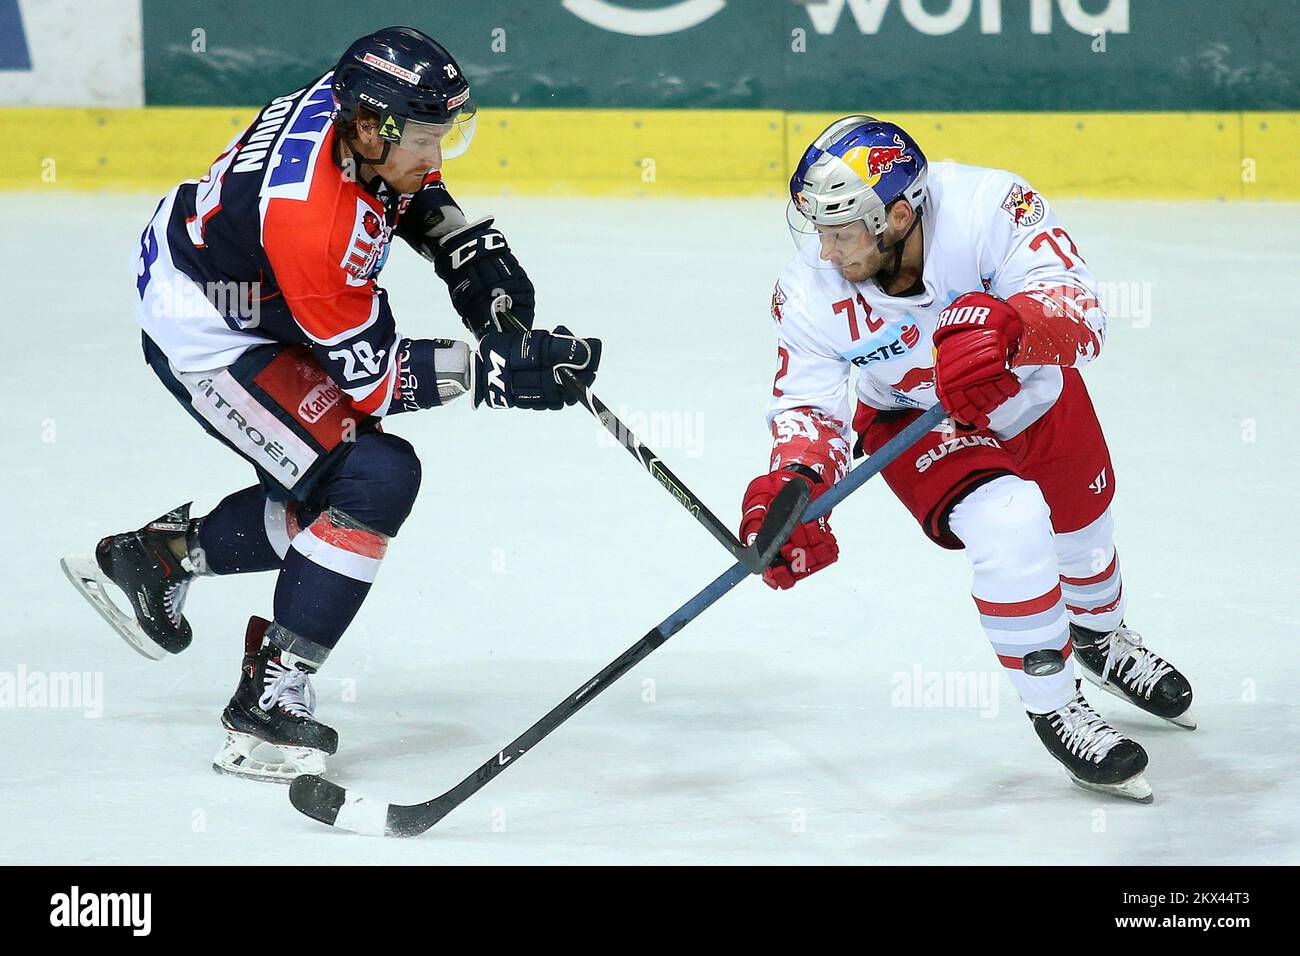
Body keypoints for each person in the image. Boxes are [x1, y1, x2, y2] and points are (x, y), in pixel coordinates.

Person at [61, 26, 601, 782]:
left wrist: (465, 249)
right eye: (421, 138)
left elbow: (398, 187)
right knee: (370, 481)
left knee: (345, 491)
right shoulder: (312, 223)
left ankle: (155, 557)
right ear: (370, 124)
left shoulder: (352, 108)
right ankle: (265, 700)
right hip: (212, 330)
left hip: (254, 289)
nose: (435, 158)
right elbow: (376, 379)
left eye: (443, 135)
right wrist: (497, 372)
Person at [739, 115, 1192, 802]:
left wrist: (1011, 328)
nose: (826, 251)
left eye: (841, 230)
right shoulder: (808, 290)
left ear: (896, 214)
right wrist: (795, 485)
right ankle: (1055, 704)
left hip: (1031, 396)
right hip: (912, 420)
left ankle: (1101, 639)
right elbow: (810, 407)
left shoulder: (989, 206)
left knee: (1084, 534)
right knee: (1012, 521)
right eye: (818, 229)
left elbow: (1082, 310)